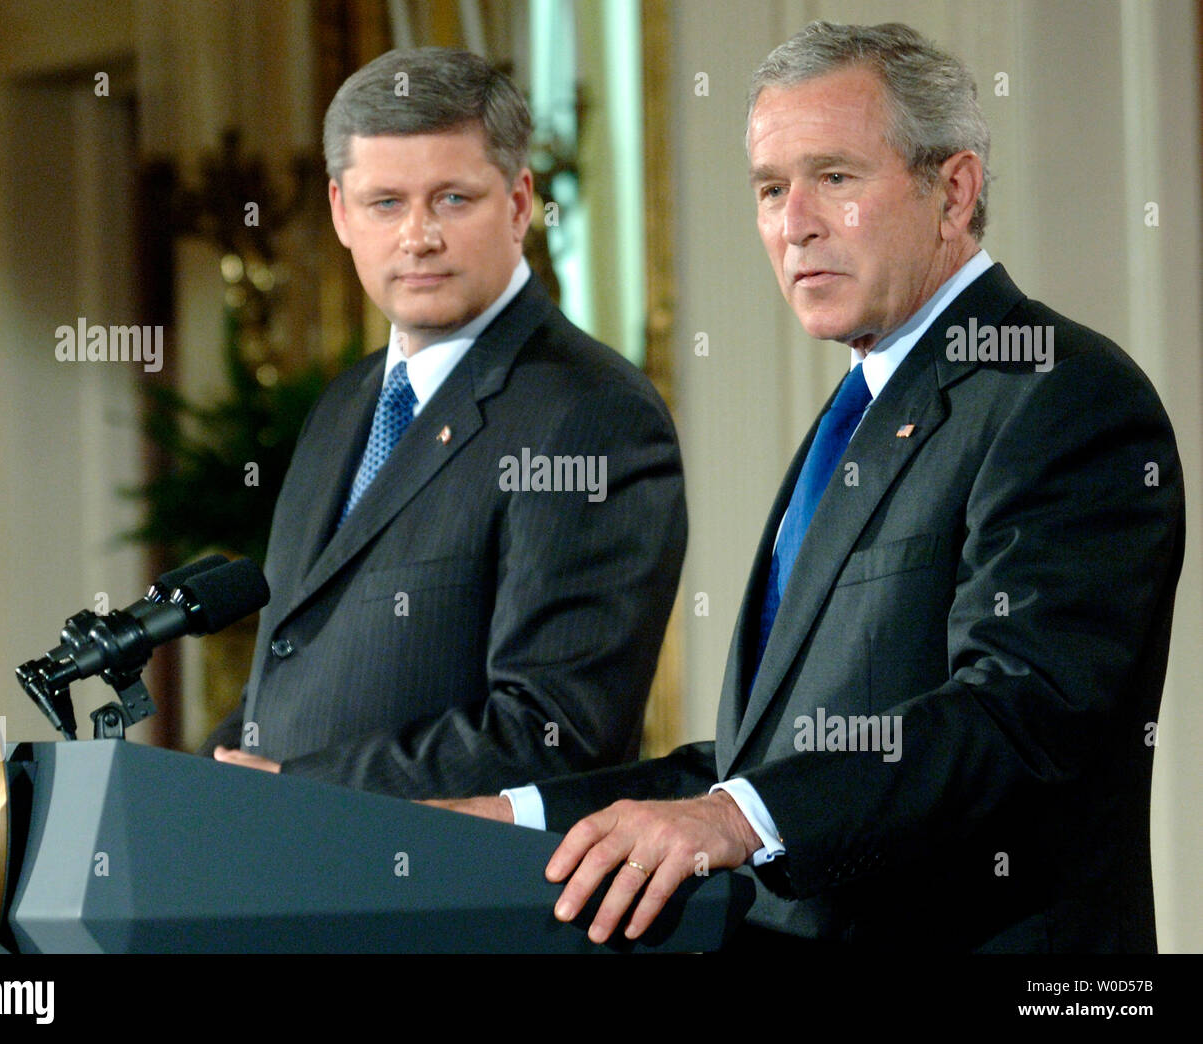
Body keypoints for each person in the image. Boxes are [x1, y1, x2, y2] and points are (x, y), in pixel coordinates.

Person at [440, 21, 1185, 953]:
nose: (795, 223)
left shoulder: (1060, 394)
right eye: (770, 189)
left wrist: (735, 818)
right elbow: (764, 763)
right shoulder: (865, 409)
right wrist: (513, 815)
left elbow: (1020, 714)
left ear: (952, 191)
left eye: (835, 177)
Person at [200, 48, 686, 799]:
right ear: (340, 213)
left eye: (453, 200)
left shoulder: (593, 415)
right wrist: (203, 783)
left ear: (520, 203)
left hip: (445, 900)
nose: (418, 236)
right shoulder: (341, 406)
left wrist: (298, 789)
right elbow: (286, 681)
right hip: (290, 888)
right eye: (385, 203)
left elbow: (554, 730)